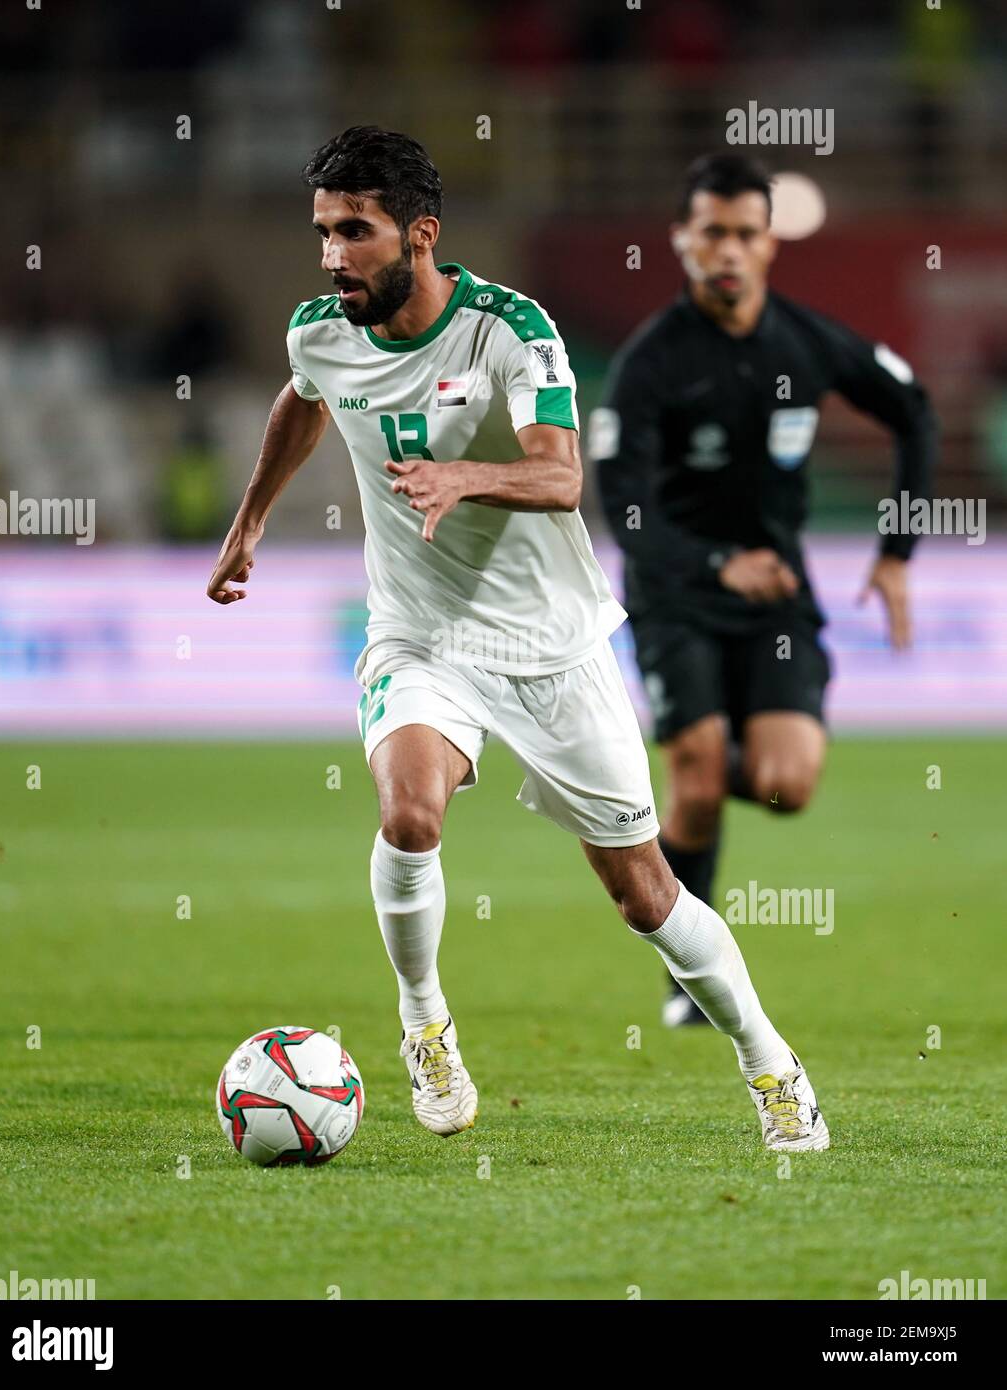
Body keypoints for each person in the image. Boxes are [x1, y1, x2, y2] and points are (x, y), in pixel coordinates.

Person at [207, 127, 829, 1151]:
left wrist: (466, 476)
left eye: (354, 231)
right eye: (321, 231)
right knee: (409, 814)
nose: (331, 255)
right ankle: (424, 1023)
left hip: (551, 648)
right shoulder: (320, 330)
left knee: (643, 893)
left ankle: (767, 1058)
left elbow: (562, 475)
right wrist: (250, 520)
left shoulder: (509, 329)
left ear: (420, 233)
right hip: (420, 635)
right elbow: (303, 399)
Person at [591, 153, 936, 1026]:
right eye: (712, 232)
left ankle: (685, 778)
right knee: (701, 778)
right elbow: (622, 511)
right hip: (675, 592)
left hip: (776, 598)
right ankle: (687, 980)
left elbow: (913, 411)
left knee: (788, 786)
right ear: (681, 240)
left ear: (769, 243)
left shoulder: (806, 343)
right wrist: (714, 565)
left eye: (746, 233)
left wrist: (896, 552)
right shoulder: (649, 366)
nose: (729, 250)